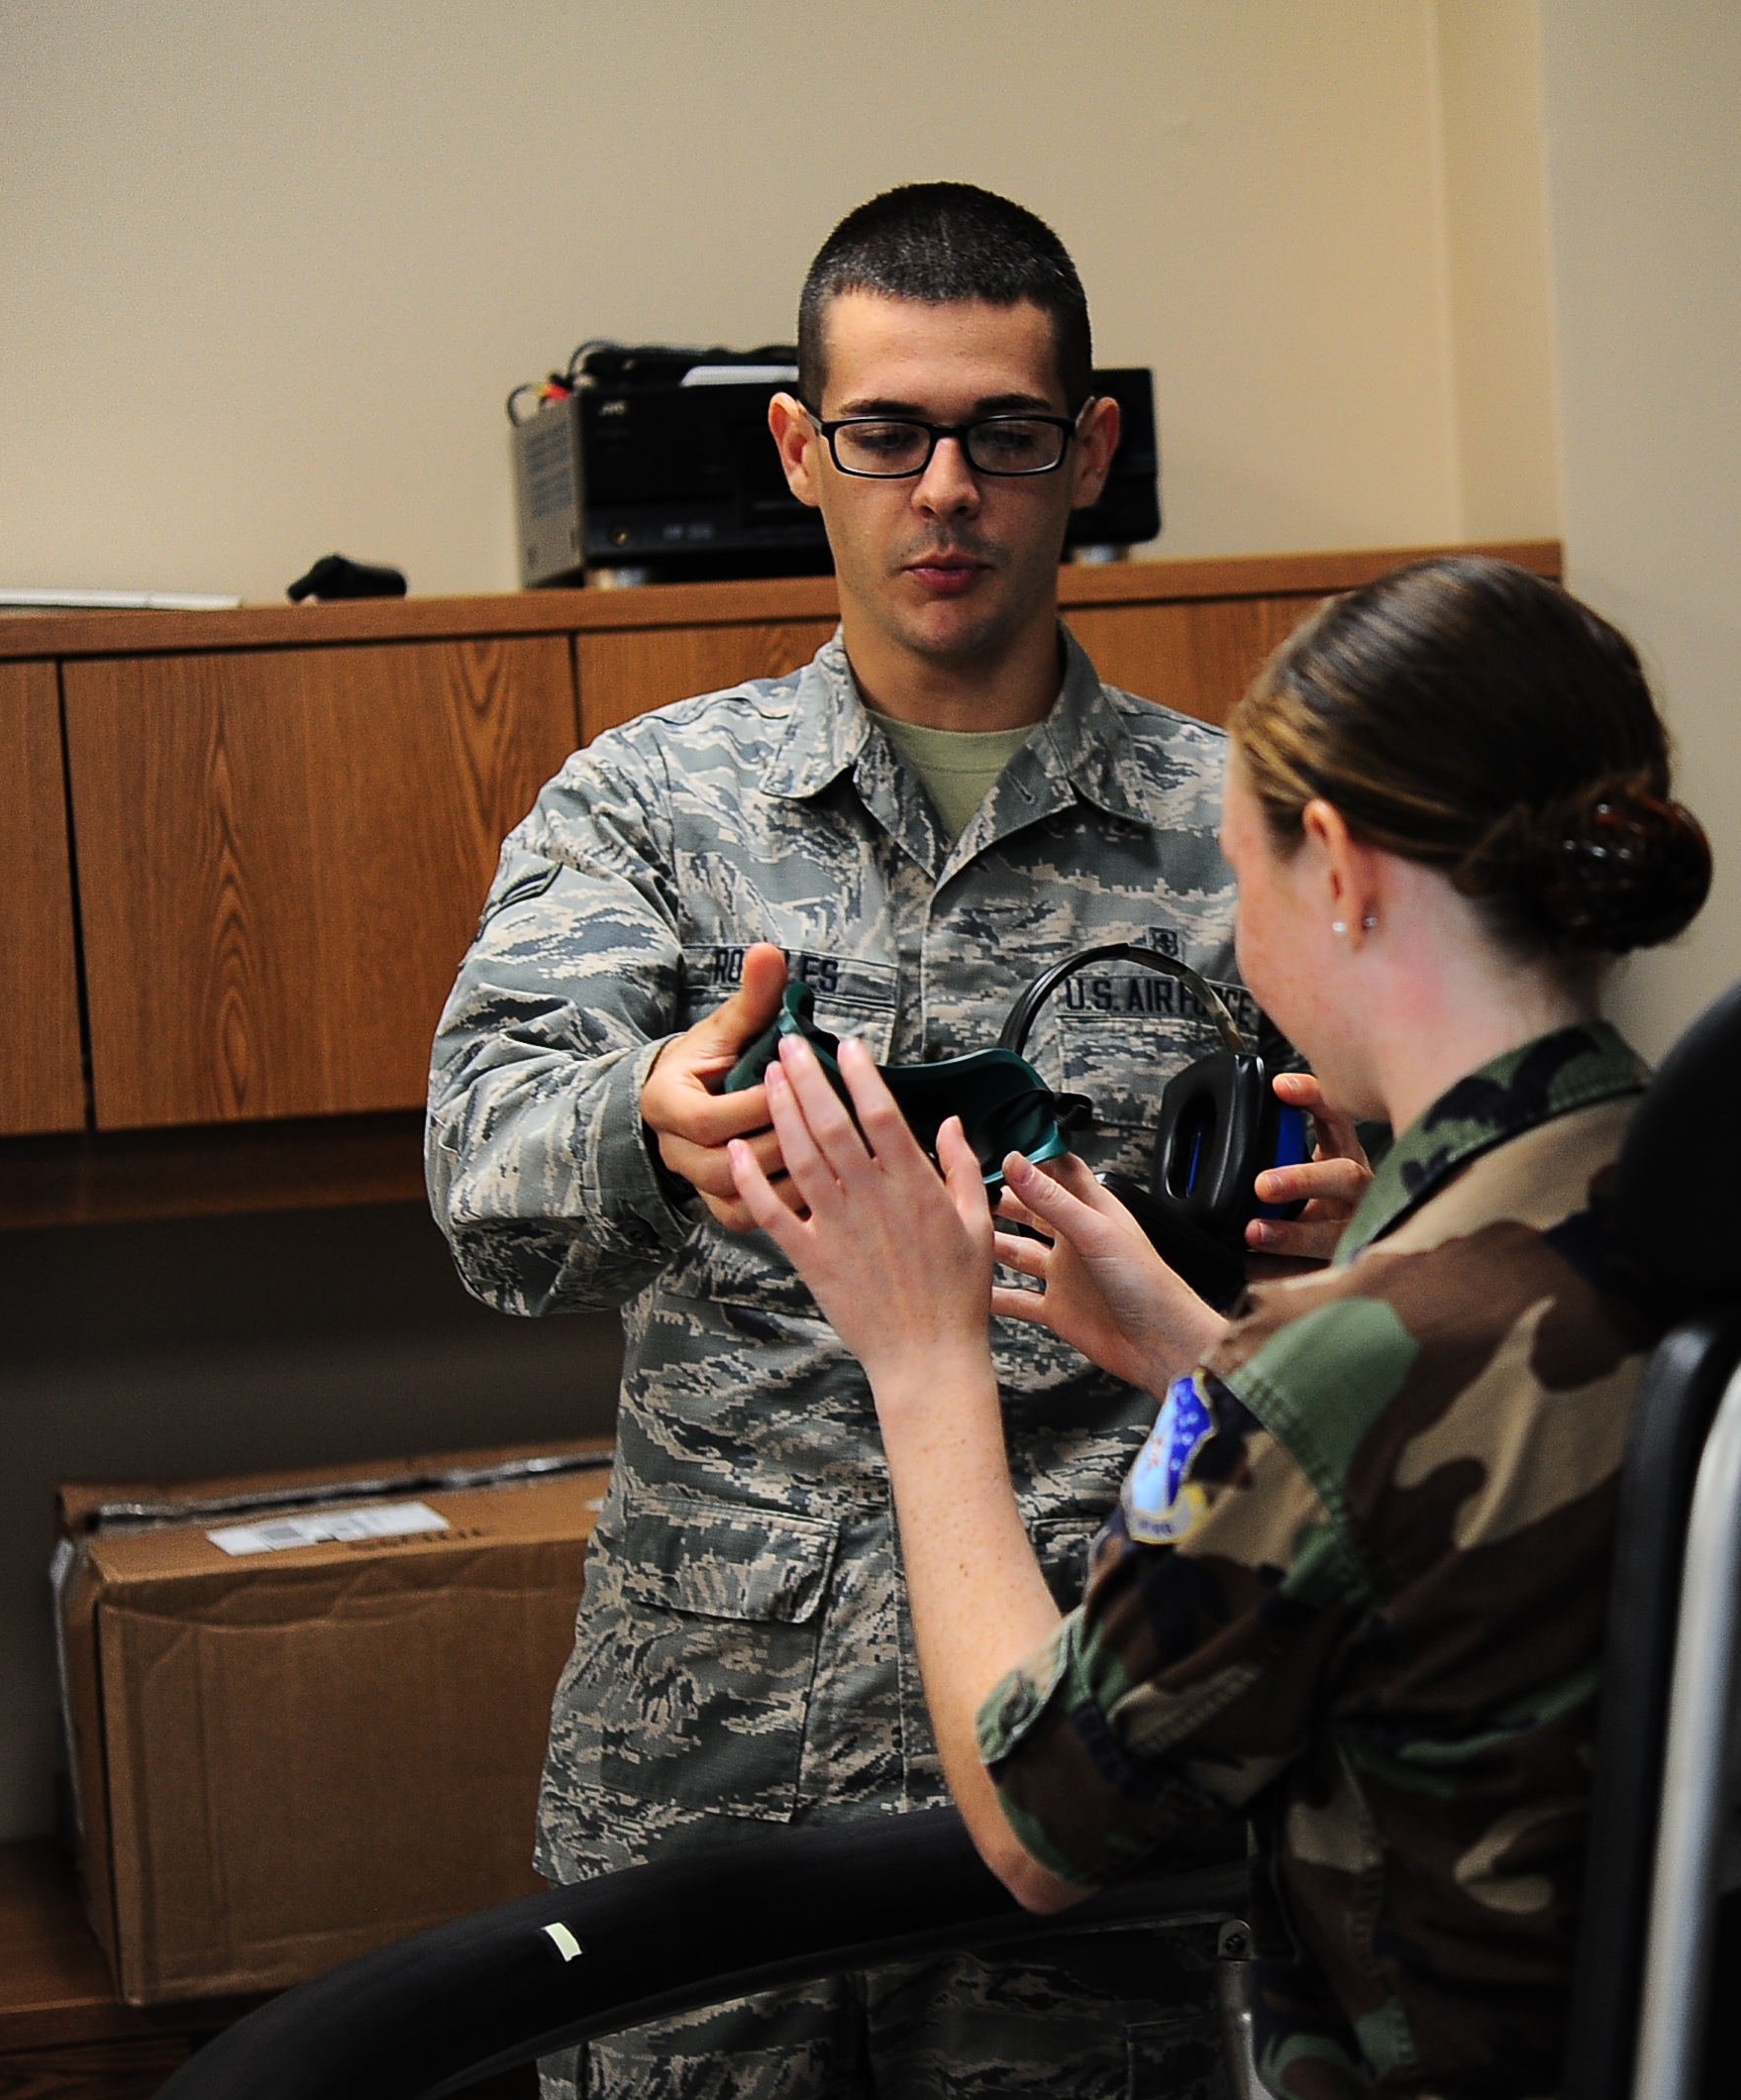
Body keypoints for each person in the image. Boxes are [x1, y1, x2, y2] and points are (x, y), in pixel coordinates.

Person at [427, 183, 1364, 2100]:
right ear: (802, 449)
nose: (947, 490)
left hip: (1102, 1758)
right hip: (707, 1776)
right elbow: (484, 1197)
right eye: (888, 435)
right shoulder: (649, 808)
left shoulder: (1246, 829)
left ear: (1086, 450)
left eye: (1005, 436)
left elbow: (1405, 1291)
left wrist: (1354, 1248)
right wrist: (643, 1122)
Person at [724, 556, 1715, 2100]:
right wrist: (1205, 1352)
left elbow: (1037, 1816)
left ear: (1336, 865)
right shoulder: (1711, 1212)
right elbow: (1470, 1510)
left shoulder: (1344, 1363)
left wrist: (922, 1355)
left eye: (1240, 871)